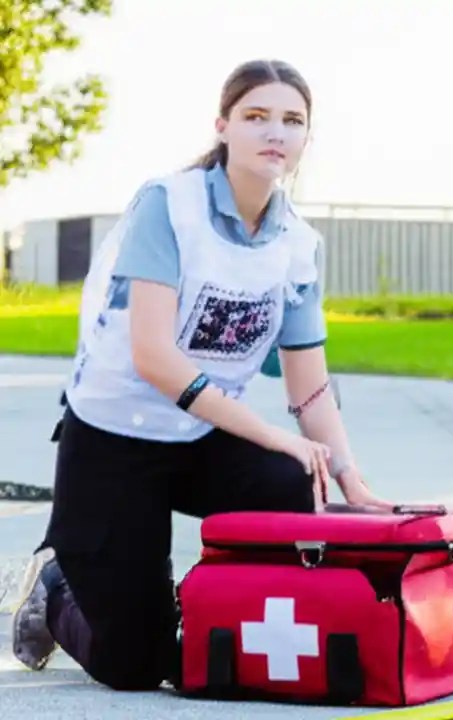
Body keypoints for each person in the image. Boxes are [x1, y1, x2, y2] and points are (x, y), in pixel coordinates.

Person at [10, 59, 391, 690]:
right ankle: (55, 592)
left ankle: (220, 614)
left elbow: (311, 385)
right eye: (256, 116)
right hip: (114, 439)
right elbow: (154, 358)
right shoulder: (168, 205)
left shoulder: (297, 243)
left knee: (299, 477)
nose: (276, 132)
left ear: (305, 139)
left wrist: (349, 477)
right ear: (223, 126)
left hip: (197, 441)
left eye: (293, 121)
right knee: (133, 666)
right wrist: (273, 436)